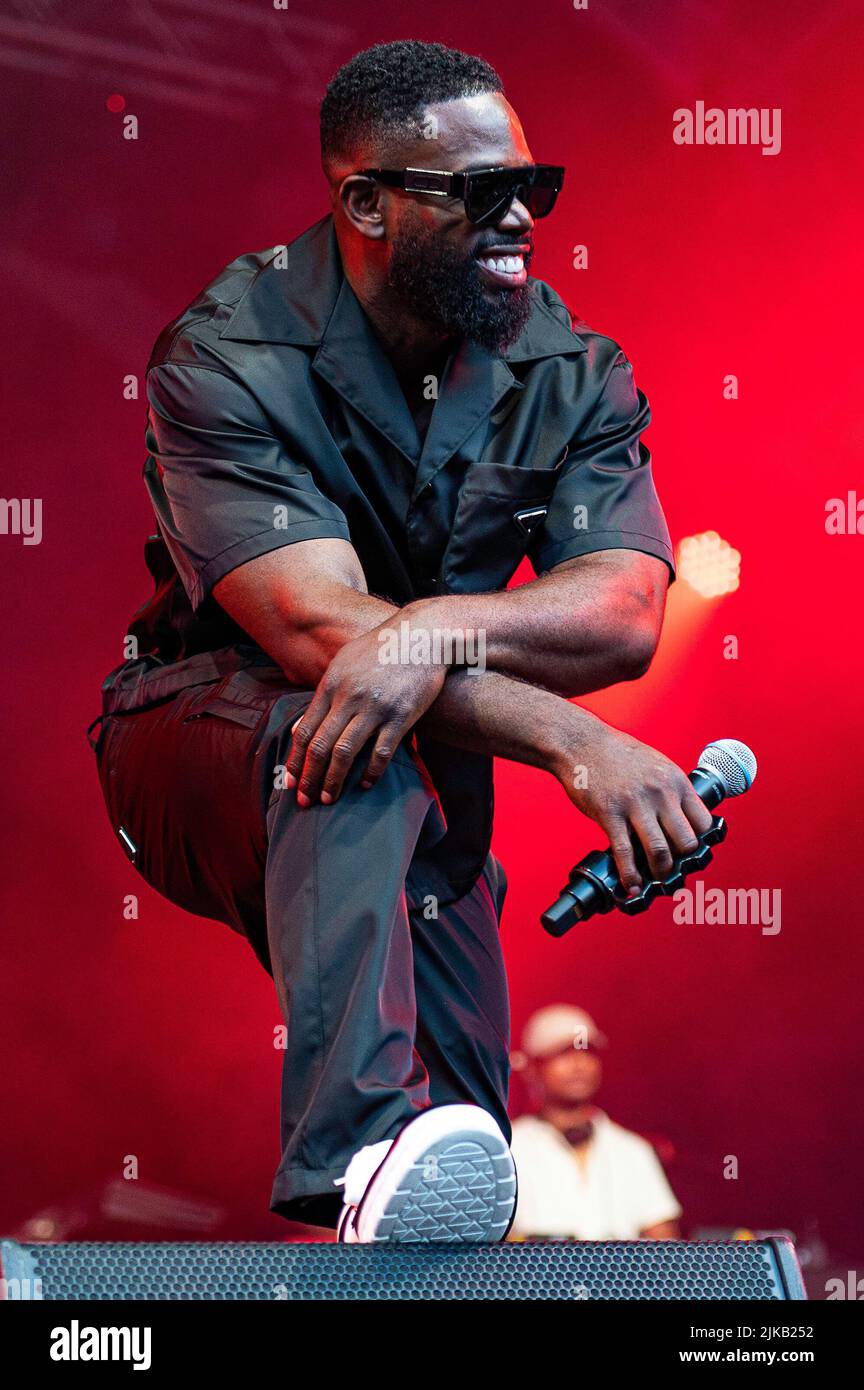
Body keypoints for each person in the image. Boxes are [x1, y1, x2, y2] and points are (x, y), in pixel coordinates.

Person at [87, 40, 712, 1243]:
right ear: (365, 200)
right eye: (482, 193)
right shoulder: (227, 355)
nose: (522, 217)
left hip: (423, 779)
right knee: (340, 732)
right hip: (203, 731)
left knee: (468, 1131)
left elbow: (626, 612)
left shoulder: (570, 370)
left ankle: (413, 1195)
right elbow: (327, 635)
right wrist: (576, 745)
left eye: (538, 187)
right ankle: (356, 1143)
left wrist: (433, 625)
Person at [510, 1006, 682, 1239]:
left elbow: (666, 1249)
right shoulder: (509, 1149)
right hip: (534, 1275)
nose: (579, 1064)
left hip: (623, 1276)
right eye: (563, 1053)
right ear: (531, 1067)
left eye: (587, 1051)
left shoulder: (633, 1150)